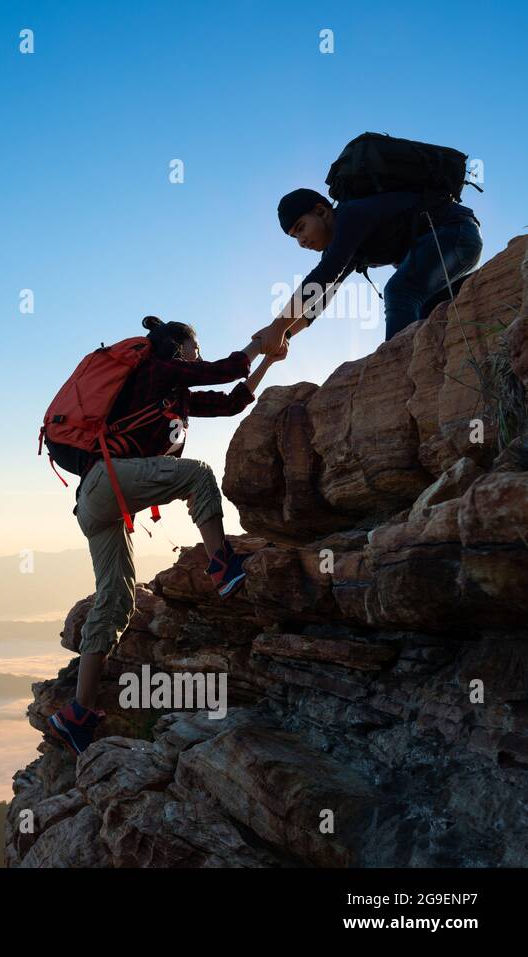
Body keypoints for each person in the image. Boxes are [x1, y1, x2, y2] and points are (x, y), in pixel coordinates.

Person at [46, 316, 283, 756]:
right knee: (198, 475)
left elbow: (232, 401)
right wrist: (257, 344)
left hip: (97, 500)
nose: (196, 356)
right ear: (179, 347)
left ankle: (77, 715)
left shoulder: (174, 398)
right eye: (194, 348)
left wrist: (266, 360)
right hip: (108, 482)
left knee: (116, 600)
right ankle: (224, 567)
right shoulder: (157, 369)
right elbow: (224, 369)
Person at [252, 187, 482, 352]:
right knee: (425, 314)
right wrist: (285, 333)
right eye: (295, 237)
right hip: (450, 246)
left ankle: (396, 375)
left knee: (401, 292)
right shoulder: (349, 243)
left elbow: (324, 275)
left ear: (321, 211)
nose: (301, 241)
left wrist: (278, 326)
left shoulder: (351, 215)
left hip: (455, 233)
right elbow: (321, 299)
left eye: (301, 228)